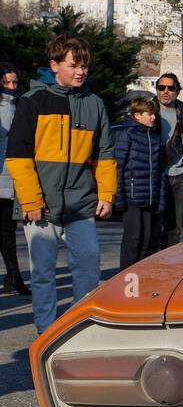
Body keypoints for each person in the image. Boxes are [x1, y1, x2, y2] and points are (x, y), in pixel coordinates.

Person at [4, 35, 115, 333]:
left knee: (89, 266)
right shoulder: (32, 101)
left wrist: (106, 194)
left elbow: (104, 155)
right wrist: (30, 202)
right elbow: (17, 156)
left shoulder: (95, 104)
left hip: (80, 205)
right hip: (40, 207)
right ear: (54, 65)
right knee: (42, 274)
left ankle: (80, 329)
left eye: (85, 66)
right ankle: (46, 331)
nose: (81, 72)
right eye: (73, 65)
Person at [114, 96, 166, 269]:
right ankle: (126, 277)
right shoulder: (127, 134)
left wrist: (160, 200)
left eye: (154, 114)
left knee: (148, 241)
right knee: (133, 240)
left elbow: (159, 171)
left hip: (150, 198)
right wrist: (119, 198)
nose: (153, 117)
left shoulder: (155, 136)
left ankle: (142, 277)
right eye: (149, 114)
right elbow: (118, 168)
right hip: (133, 197)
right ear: (137, 115)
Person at [154, 73, 183, 248]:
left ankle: (169, 263)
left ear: (177, 91)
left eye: (170, 88)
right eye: (161, 88)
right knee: (154, 224)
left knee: (174, 227)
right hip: (157, 176)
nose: (166, 92)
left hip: (180, 177)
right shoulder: (149, 112)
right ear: (157, 90)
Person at [0, 63, 29, 297]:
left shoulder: (20, 104)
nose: (12, 87)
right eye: (7, 83)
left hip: (11, 177)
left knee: (8, 231)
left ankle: (13, 276)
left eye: (15, 82)